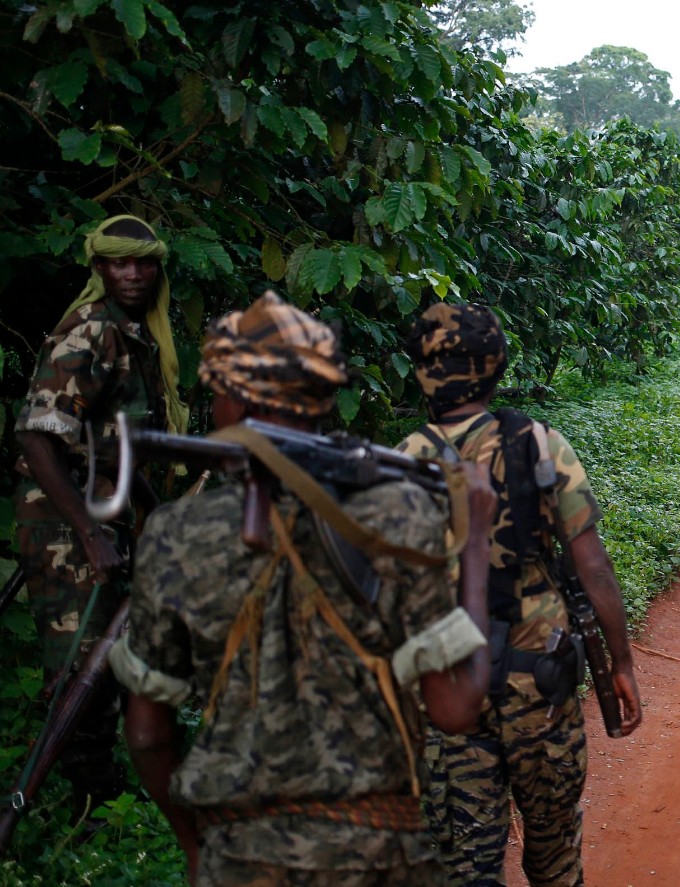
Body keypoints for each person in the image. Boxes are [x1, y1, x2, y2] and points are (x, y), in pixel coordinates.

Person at [110, 292, 495, 885]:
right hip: (380, 856)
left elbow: (146, 733)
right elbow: (457, 706)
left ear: (231, 400)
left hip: (236, 858)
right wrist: (473, 547)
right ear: (320, 398)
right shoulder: (398, 514)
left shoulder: (174, 535)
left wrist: (194, 844)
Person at [397, 302, 643, 887]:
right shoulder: (538, 444)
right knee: (554, 854)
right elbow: (591, 566)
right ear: (495, 364)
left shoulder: (406, 461)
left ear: (423, 371)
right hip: (541, 679)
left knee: (468, 865)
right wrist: (621, 662)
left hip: (451, 679)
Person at [12, 214, 187, 814]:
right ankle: (71, 806)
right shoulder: (89, 331)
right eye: (119, 262)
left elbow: (117, 445)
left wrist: (157, 515)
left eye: (142, 262)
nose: (132, 274)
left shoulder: (139, 334)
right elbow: (37, 437)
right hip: (64, 525)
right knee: (79, 674)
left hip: (103, 514)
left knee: (106, 669)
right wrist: (88, 535)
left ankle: (96, 796)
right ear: (99, 268)